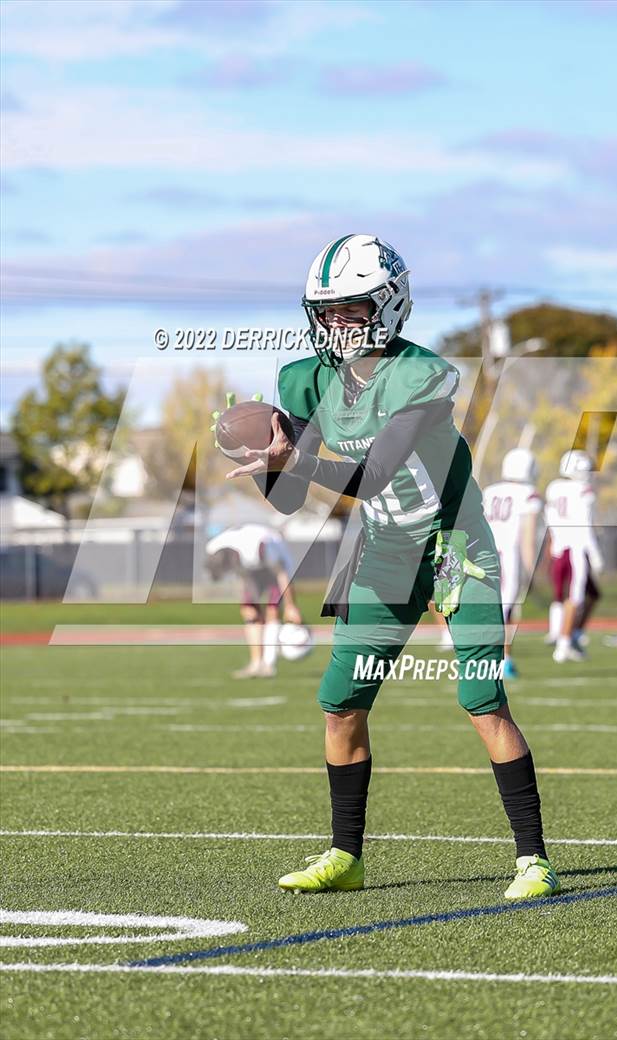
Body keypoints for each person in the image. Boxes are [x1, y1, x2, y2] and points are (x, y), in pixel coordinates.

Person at [221, 234, 560, 900]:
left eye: (352, 309)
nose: (338, 324)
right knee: (340, 704)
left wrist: (299, 462)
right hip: (383, 553)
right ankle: (347, 856)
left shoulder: (423, 374)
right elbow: (291, 495)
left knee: (480, 699)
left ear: (390, 304)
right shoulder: (303, 379)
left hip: (456, 549)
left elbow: (376, 475)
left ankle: (534, 860)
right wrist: (269, 459)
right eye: (328, 312)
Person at [205, 523, 303, 678]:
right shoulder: (213, 548)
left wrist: (291, 605)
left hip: (273, 567)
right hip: (249, 570)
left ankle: (268, 665)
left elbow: (281, 573)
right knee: (250, 613)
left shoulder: (260, 547)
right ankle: (256, 663)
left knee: (272, 609)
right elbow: (241, 576)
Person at [482, 448, 542, 678]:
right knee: (507, 607)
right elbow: (527, 538)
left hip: (485, 552)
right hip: (509, 554)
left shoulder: (490, 491)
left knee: (490, 605)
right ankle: (503, 661)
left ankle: (491, 658)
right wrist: (531, 570)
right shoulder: (528, 494)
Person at [544, 450, 603, 663]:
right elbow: (585, 526)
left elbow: (550, 520)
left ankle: (572, 635)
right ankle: (563, 645)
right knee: (574, 597)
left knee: (588, 594)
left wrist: (553, 546)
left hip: (560, 547)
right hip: (578, 548)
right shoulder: (583, 490)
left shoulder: (554, 488)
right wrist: (596, 555)